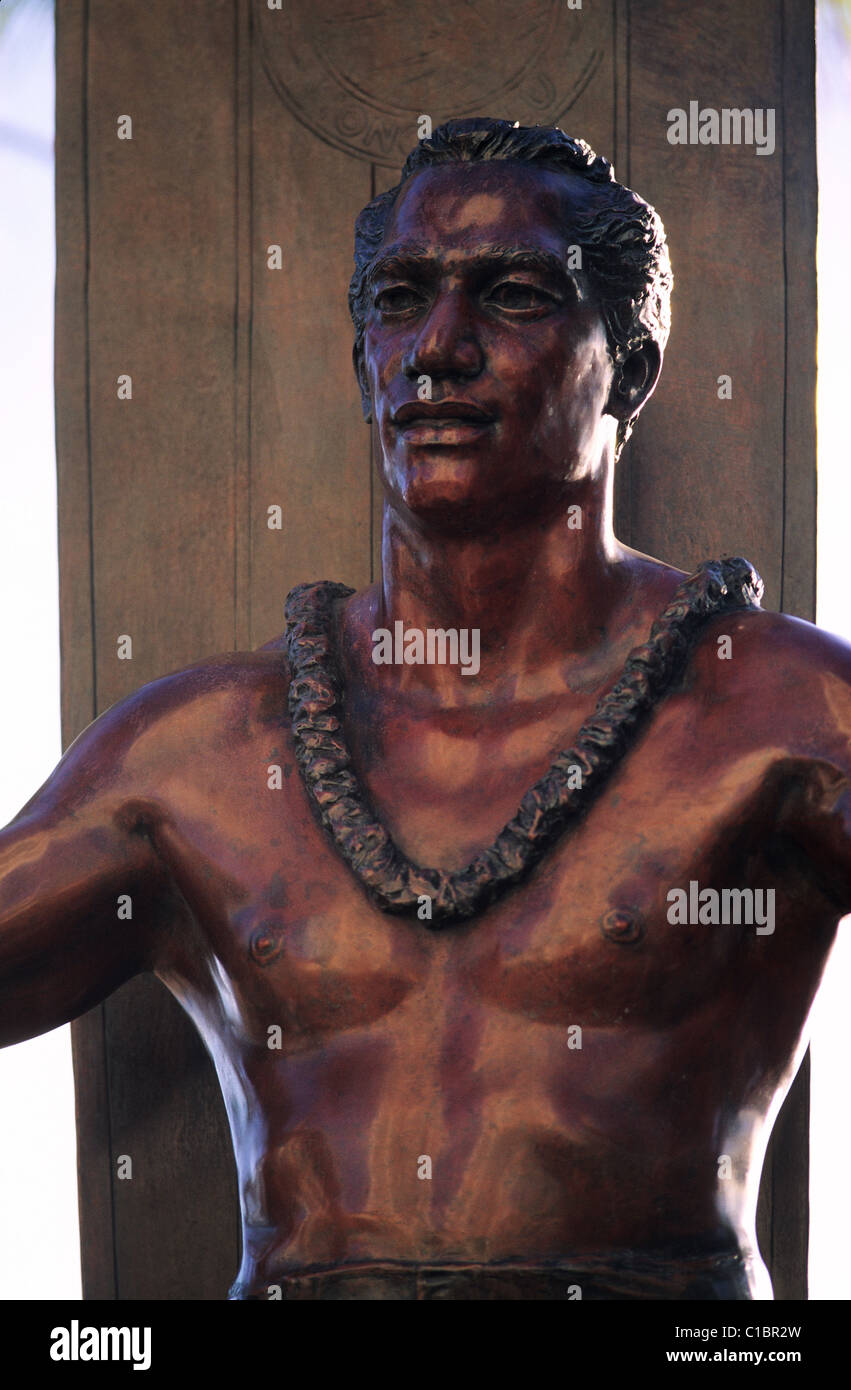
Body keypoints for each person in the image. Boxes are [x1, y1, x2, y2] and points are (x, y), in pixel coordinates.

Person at [1, 118, 848, 1300]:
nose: (437, 348)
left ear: (634, 369)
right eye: (400, 298)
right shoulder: (195, 757)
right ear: (360, 362)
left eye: (508, 296)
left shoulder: (783, 712)